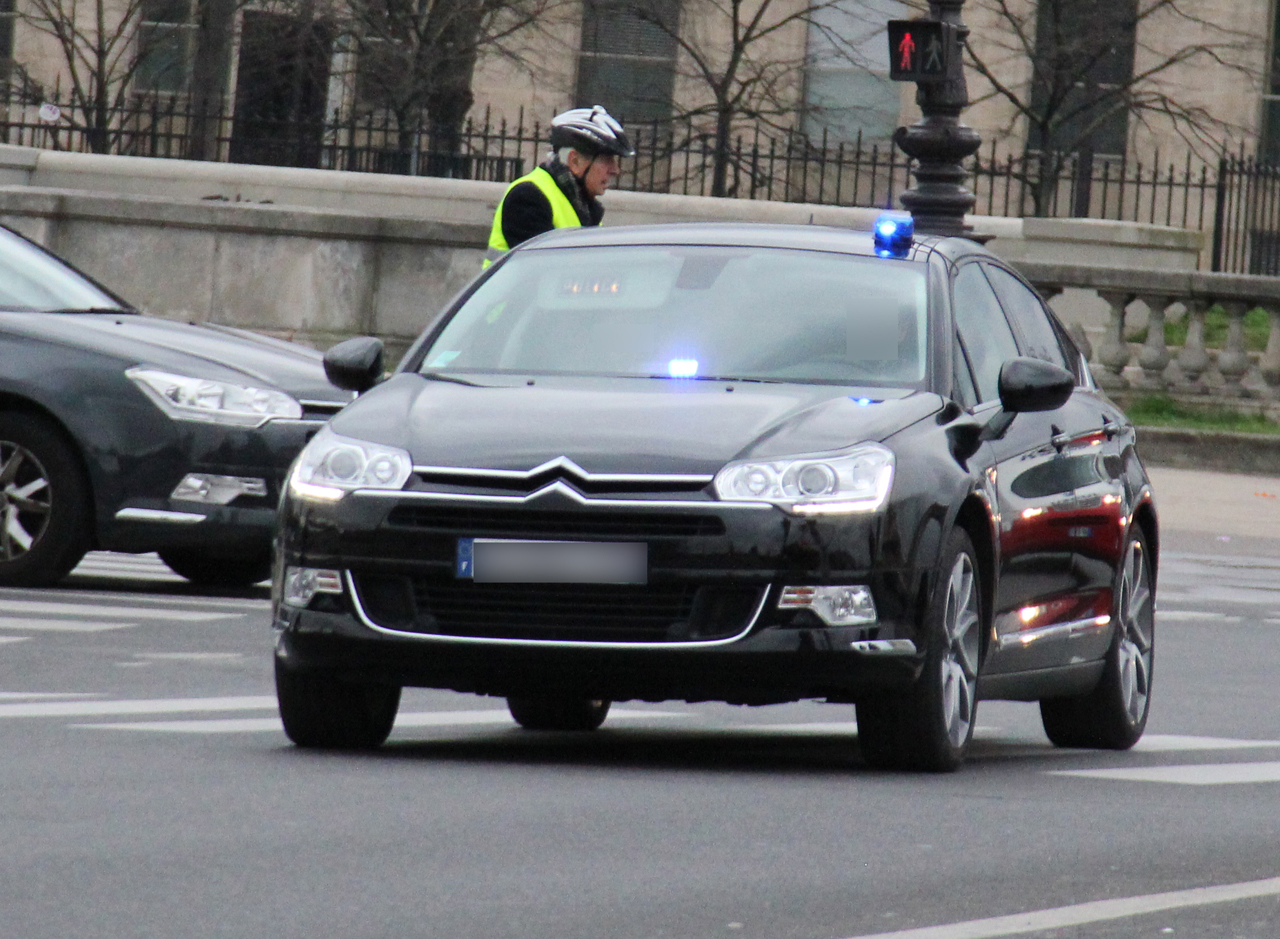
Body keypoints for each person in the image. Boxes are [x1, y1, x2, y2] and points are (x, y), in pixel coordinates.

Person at [485, 106, 633, 266]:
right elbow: (544, 271)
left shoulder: (583, 206)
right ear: (574, 161)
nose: (615, 170)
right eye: (606, 160)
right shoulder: (528, 198)